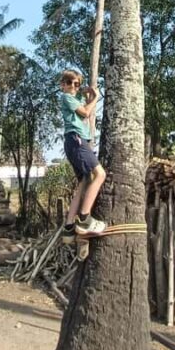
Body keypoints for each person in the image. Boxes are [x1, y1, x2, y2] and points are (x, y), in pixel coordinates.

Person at [59, 69, 107, 243]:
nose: (73, 86)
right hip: (76, 140)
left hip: (76, 142)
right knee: (100, 174)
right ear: (62, 85)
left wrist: (88, 96)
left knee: (85, 180)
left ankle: (69, 227)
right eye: (69, 83)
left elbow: (84, 110)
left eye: (76, 84)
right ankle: (85, 219)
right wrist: (95, 98)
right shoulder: (66, 97)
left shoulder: (75, 98)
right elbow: (86, 113)